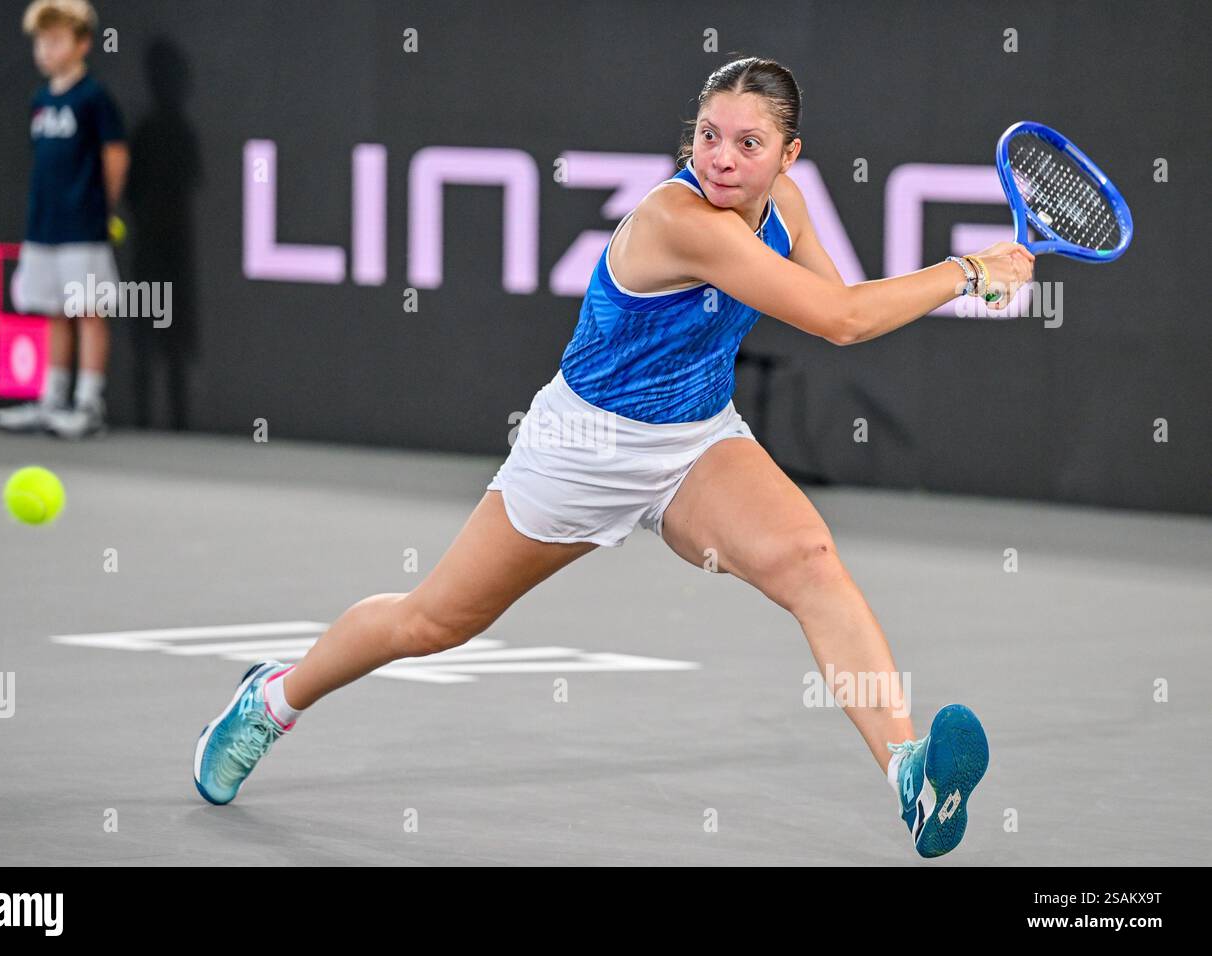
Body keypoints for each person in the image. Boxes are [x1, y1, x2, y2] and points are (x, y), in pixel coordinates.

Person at [193, 57, 1033, 859]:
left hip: (698, 442)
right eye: (709, 135)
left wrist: (970, 282)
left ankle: (908, 772)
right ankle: (272, 700)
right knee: (435, 622)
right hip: (583, 450)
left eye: (749, 142)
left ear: (789, 154)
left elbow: (845, 306)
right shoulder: (678, 221)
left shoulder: (790, 203)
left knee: (813, 562)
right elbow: (840, 320)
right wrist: (967, 272)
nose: (723, 157)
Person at [0, 0, 128, 439]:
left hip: (83, 228)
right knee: (54, 310)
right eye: (41, 43)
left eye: (56, 41)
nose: (46, 51)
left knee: (88, 311)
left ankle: (88, 404)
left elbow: (115, 155)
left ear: (83, 44)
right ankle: (52, 399)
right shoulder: (39, 100)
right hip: (43, 227)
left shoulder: (94, 99)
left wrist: (101, 209)